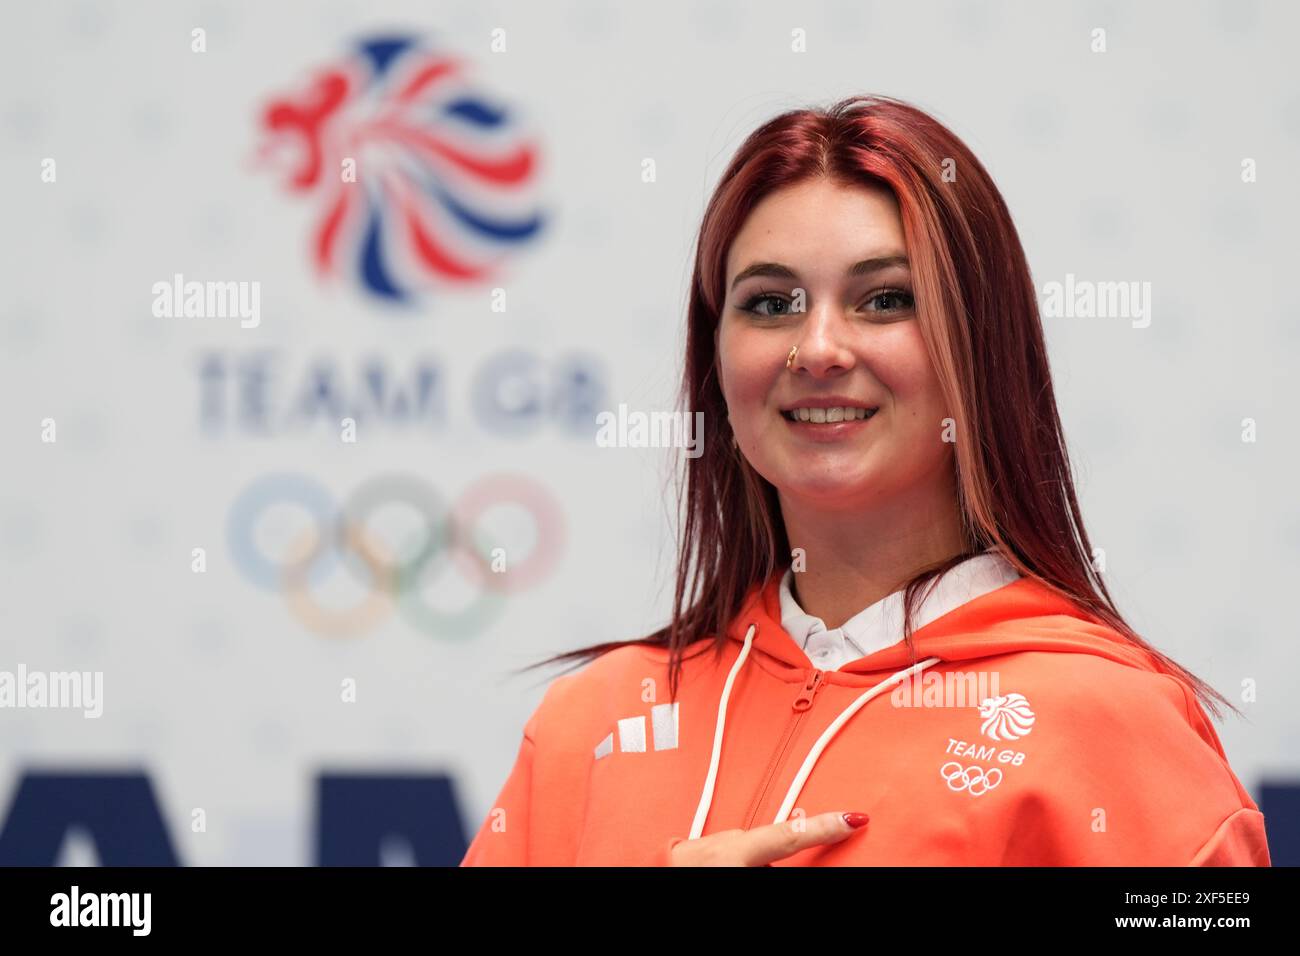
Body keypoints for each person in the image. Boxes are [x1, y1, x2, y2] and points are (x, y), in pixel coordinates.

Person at [459, 95, 1271, 866]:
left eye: (885, 299)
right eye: (770, 303)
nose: (816, 349)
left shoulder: (1108, 722)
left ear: (980, 348)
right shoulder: (592, 724)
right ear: (715, 362)